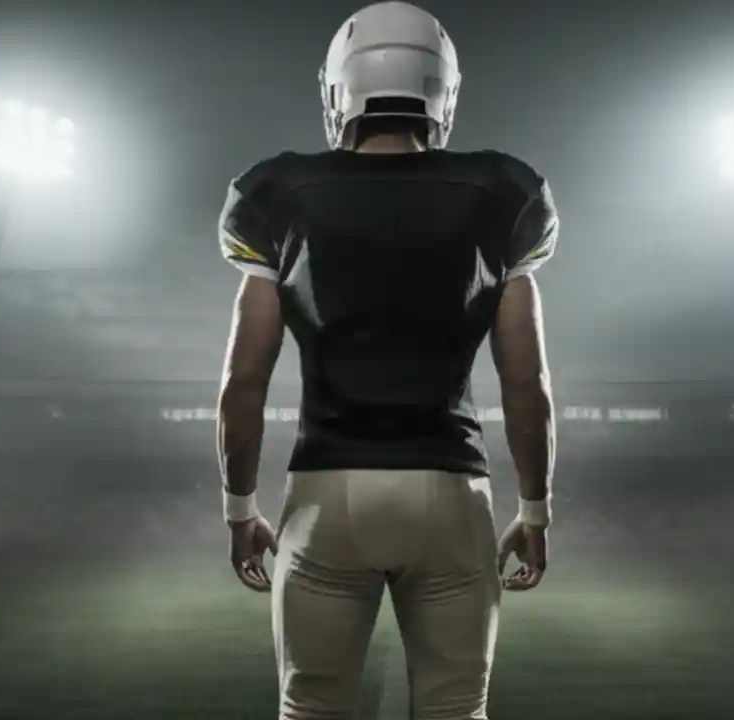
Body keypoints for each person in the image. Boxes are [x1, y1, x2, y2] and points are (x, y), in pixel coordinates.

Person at [214, 2, 558, 717]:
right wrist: (537, 507)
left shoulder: (281, 192)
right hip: (452, 492)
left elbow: (243, 383)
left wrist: (238, 506)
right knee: (457, 711)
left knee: (311, 709)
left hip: (326, 494)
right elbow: (526, 382)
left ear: (339, 89)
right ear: (442, 91)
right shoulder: (500, 191)